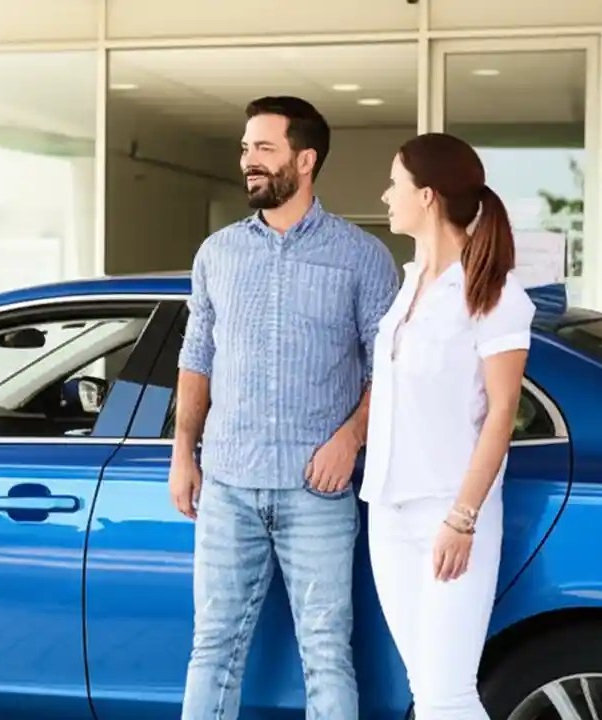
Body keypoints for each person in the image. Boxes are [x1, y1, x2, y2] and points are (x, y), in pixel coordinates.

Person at [170, 96, 399, 719]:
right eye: (246, 148)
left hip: (316, 491)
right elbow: (196, 358)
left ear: (305, 159)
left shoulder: (361, 256)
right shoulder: (217, 253)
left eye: (264, 149)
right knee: (211, 648)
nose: (249, 160)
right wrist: (183, 454)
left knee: (326, 653)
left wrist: (351, 438)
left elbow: (390, 369)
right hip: (227, 484)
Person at [360, 133, 533, 718]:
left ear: (427, 196)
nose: (385, 196)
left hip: (449, 513)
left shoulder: (496, 294)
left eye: (394, 184)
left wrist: (462, 518)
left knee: (447, 692)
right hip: (388, 509)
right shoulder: (409, 283)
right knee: (425, 688)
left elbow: (502, 413)